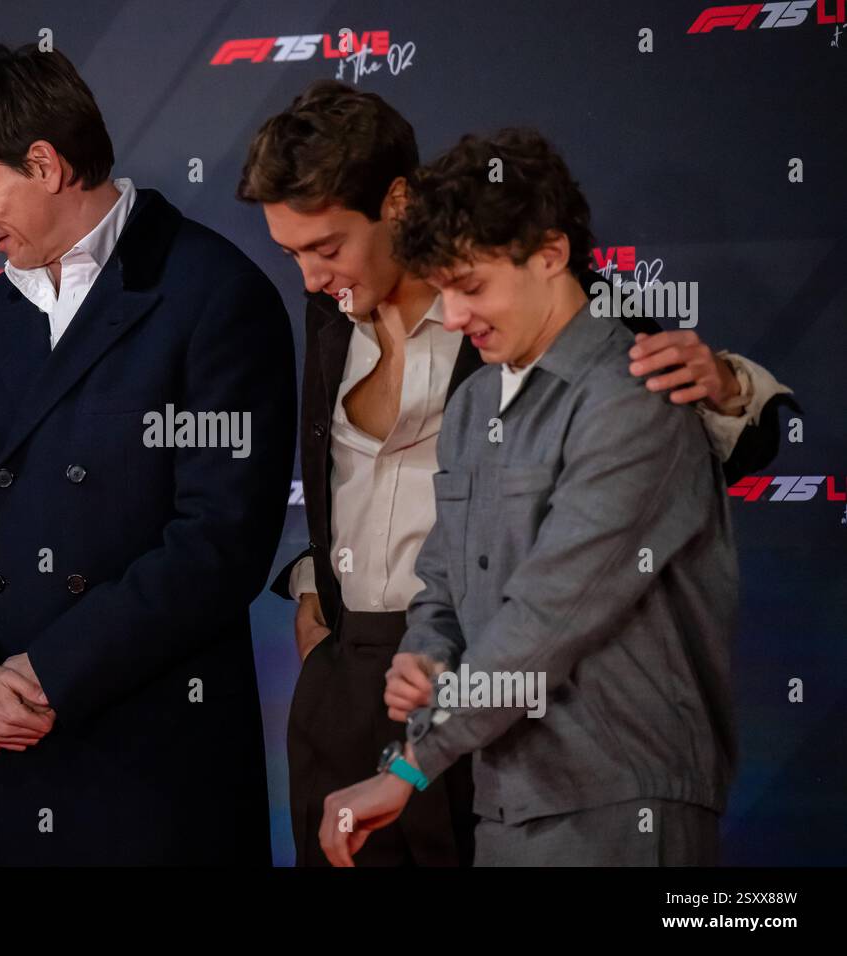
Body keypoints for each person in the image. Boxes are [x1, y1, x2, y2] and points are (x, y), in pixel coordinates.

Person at [238, 80, 791, 866]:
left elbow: (555, 600)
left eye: (326, 248)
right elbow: (391, 506)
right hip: (373, 676)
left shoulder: (581, 332)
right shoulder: (339, 309)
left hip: (544, 732)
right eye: (291, 253)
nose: (310, 278)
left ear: (396, 203)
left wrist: (733, 388)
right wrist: (319, 581)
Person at [0, 39, 296, 865]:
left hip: (157, 774)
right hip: (6, 767)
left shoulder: (212, 295)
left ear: (44, 164)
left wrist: (49, 671)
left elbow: (217, 542)